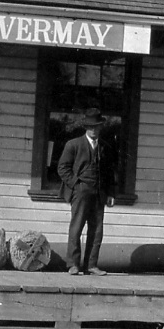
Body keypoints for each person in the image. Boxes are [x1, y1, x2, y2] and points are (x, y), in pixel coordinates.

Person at [56, 108, 121, 276]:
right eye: (90, 127)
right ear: (86, 127)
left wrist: (111, 193)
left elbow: (109, 172)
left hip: (99, 193)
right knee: (76, 228)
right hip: (80, 192)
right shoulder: (73, 145)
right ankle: (73, 265)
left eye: (96, 126)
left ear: (100, 127)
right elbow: (62, 168)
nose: (94, 130)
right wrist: (76, 184)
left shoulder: (105, 147)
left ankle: (91, 265)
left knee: (97, 230)